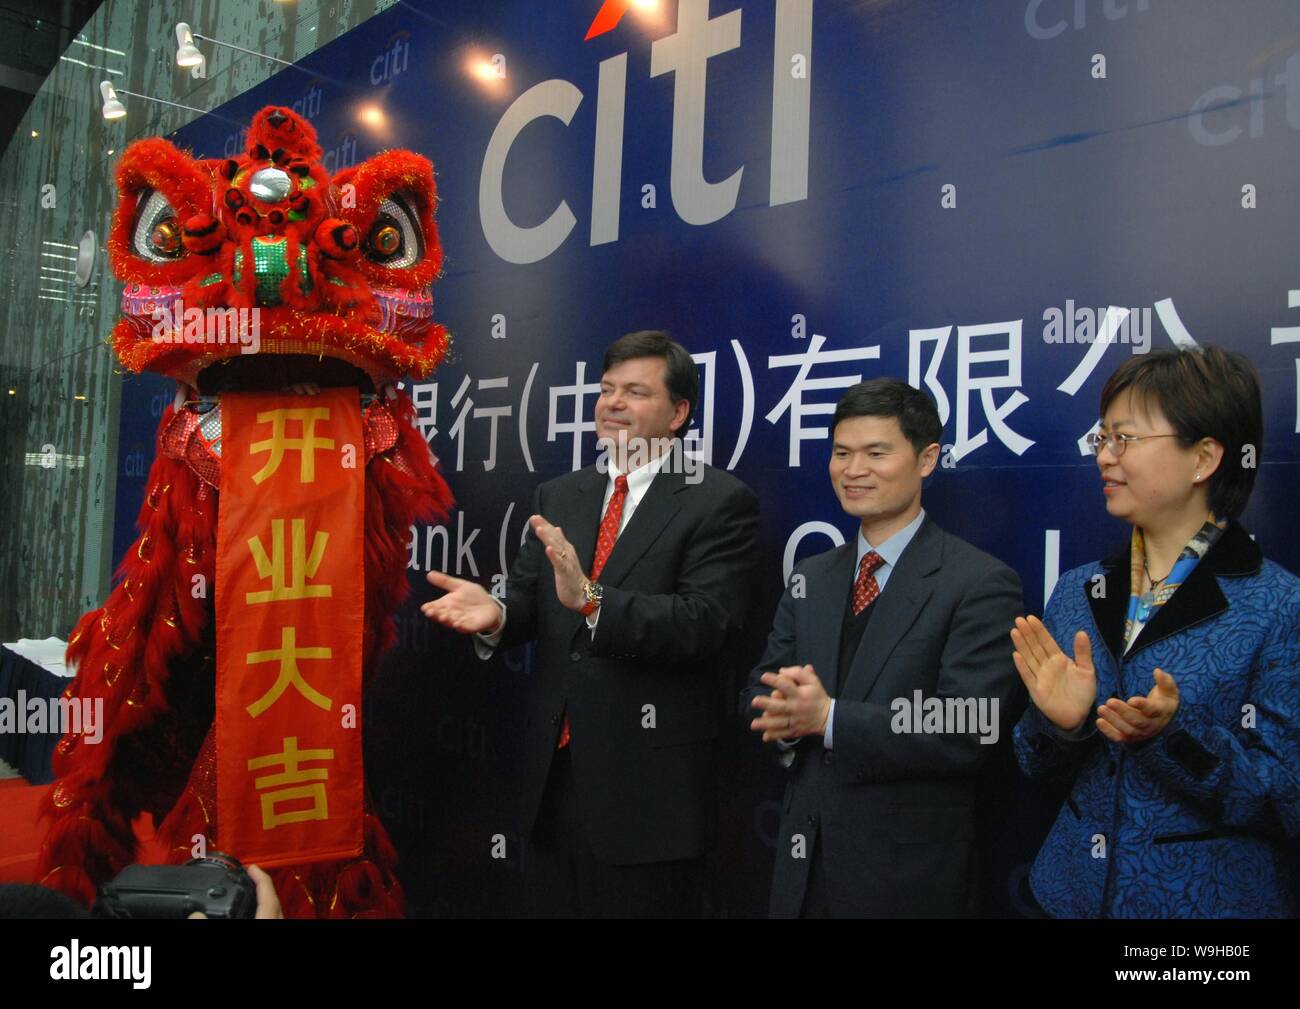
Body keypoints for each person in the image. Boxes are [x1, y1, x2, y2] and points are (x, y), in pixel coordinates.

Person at [422, 330, 760, 917]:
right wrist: (498, 613)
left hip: (649, 791)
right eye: (606, 390)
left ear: (678, 413)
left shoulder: (717, 501)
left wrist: (593, 599)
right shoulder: (562, 494)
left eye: (635, 391)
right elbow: (532, 599)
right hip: (554, 781)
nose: (613, 404)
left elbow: (705, 623)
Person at [1011, 345, 1300, 918]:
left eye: (1127, 439)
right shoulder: (1078, 589)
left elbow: (1286, 797)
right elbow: (1029, 762)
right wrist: (1060, 725)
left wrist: (1170, 733)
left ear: (1205, 458)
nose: (1104, 457)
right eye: (1102, 439)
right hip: (1065, 896)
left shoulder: (1278, 603)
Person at [743, 378, 1022, 917]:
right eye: (841, 453)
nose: (853, 470)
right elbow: (759, 687)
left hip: (905, 880)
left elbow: (969, 725)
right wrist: (779, 714)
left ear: (927, 459)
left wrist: (828, 719)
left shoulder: (978, 581)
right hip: (802, 868)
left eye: (876, 452)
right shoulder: (812, 576)